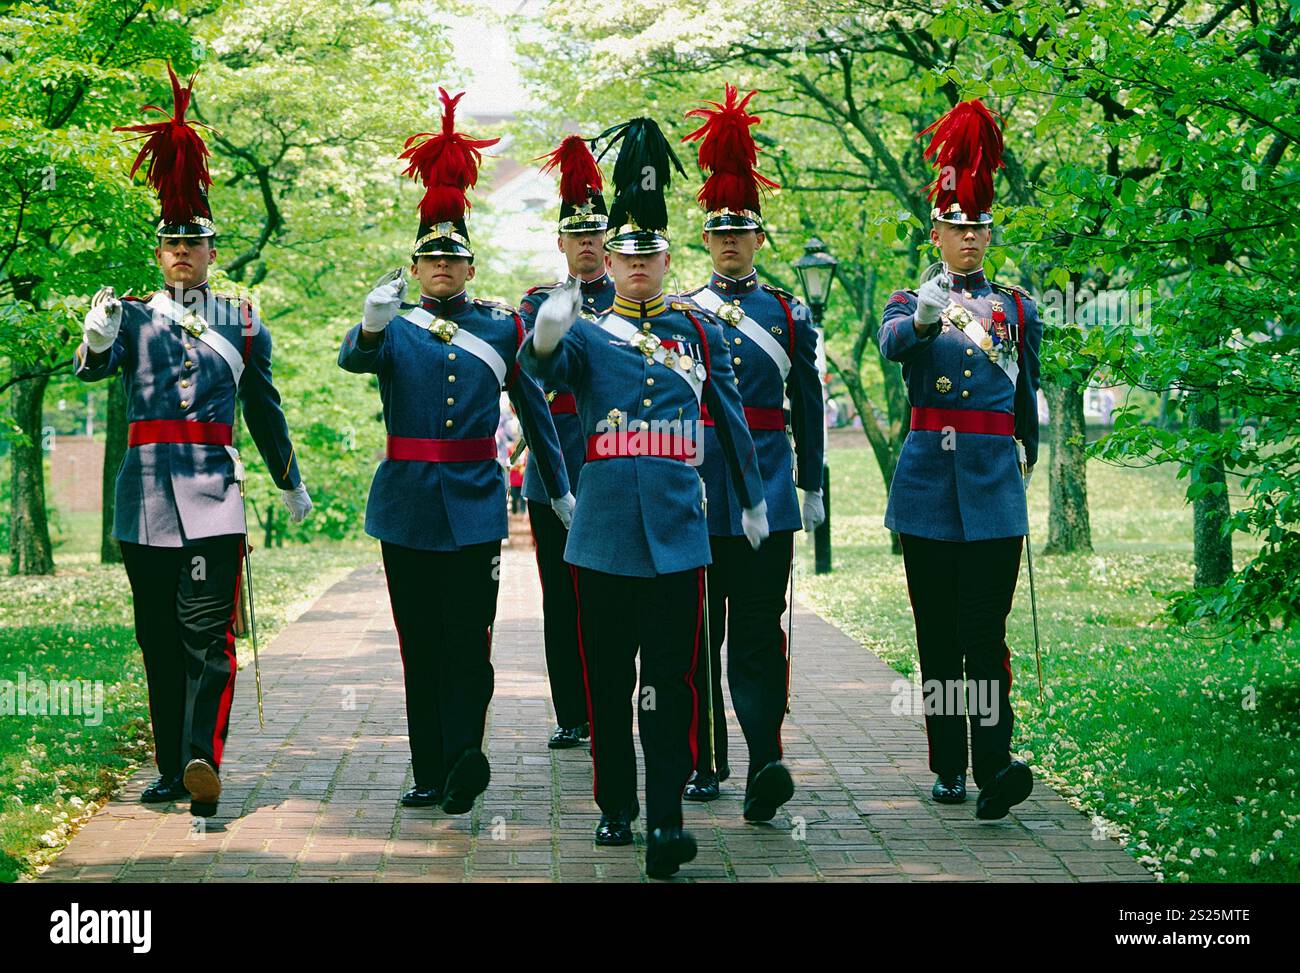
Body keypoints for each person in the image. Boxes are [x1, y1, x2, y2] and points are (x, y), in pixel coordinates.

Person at [519, 116, 767, 879]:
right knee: (609, 680)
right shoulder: (591, 335)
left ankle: (665, 818)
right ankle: (615, 807)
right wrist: (550, 336)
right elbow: (544, 377)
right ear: (614, 261)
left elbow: (727, 416)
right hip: (600, 530)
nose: (635, 264)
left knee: (672, 681)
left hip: (678, 528)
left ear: (666, 258)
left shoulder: (698, 330)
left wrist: (753, 500)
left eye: (648, 252)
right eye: (624, 253)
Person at [75, 67, 312, 818]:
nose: (182, 253)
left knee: (209, 635)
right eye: (172, 242)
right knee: (158, 639)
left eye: (194, 243)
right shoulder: (132, 315)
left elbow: (264, 408)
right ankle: (172, 766)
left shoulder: (242, 323)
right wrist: (93, 339)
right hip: (143, 496)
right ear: (160, 250)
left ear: (212, 251)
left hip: (214, 497)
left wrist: (288, 480)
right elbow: (94, 371)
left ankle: (203, 756)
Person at [338, 88, 573, 814]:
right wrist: (372, 325)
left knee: (470, 639)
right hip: (406, 501)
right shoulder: (396, 326)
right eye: (431, 259)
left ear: (471, 268)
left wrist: (559, 486)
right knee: (420, 645)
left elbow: (535, 406)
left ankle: (466, 756)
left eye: (455, 259)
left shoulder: (501, 327)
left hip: (474, 504)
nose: (442, 268)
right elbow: (353, 358)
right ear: (416, 266)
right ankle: (428, 768)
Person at [878, 98, 1042, 820]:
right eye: (957, 228)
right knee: (938, 636)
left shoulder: (1017, 307)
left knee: (986, 632)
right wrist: (921, 312)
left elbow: (1026, 391)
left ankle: (994, 763)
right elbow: (893, 346)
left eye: (978, 228)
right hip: (926, 489)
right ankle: (948, 763)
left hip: (993, 489)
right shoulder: (907, 302)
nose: (968, 239)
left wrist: (1029, 452)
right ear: (936, 233)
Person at [675, 86, 824, 819]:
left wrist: (814, 484)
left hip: (768, 484)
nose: (730, 241)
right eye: (719, 232)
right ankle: (705, 760)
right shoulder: (679, 314)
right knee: (701, 635)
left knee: (760, 633)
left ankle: (766, 757)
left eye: (743, 231)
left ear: (760, 238)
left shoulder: (789, 312)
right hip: (699, 489)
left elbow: (811, 404)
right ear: (705, 239)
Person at [516, 135, 616, 749]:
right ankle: (572, 712)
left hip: (612, 455)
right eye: (575, 236)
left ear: (608, 240)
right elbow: (528, 379)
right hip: (554, 460)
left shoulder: (632, 299)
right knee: (560, 596)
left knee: (610, 587)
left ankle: (612, 702)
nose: (586, 244)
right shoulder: (536, 303)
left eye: (595, 234)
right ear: (560, 243)